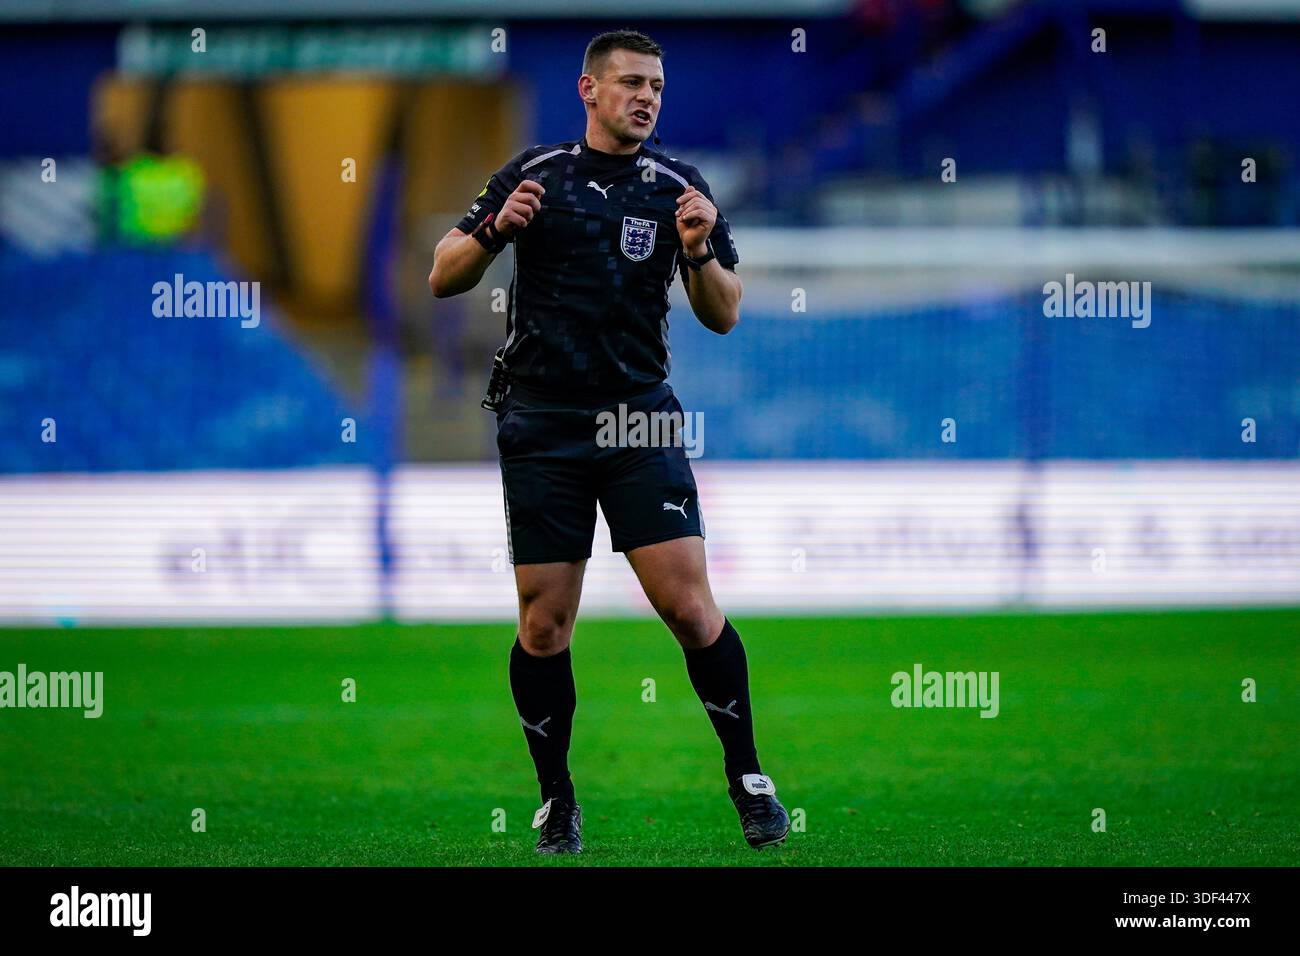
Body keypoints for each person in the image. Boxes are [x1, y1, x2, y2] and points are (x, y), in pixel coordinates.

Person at [429, 29, 789, 854]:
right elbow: (442, 273)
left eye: (656, 86)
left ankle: (749, 780)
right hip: (543, 420)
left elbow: (724, 312)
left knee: (690, 610)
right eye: (630, 83)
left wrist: (698, 250)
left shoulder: (679, 189)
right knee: (545, 626)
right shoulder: (535, 175)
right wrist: (494, 232)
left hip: (638, 419)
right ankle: (557, 799)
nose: (646, 97)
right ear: (588, 91)